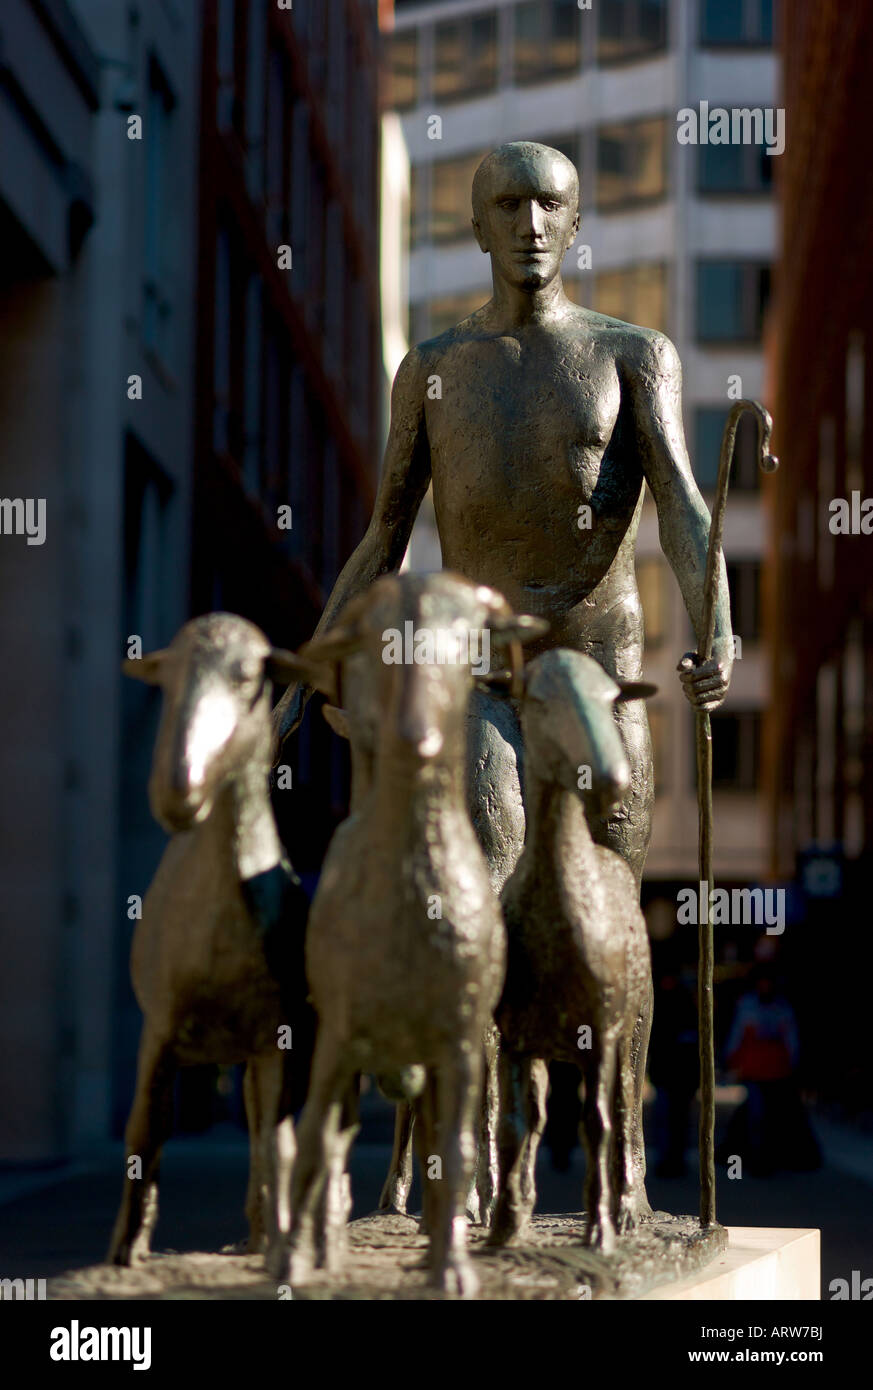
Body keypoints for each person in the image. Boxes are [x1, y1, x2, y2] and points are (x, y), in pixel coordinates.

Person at [274, 142, 734, 1212]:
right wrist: (312, 667)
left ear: (579, 226)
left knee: (606, 901)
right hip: (482, 678)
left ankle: (623, 1144)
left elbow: (682, 508)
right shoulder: (433, 370)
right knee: (474, 873)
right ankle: (464, 1147)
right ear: (475, 229)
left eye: (552, 205)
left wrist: (719, 633)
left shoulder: (633, 354)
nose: (531, 223)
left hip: (598, 676)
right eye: (508, 204)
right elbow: (384, 535)